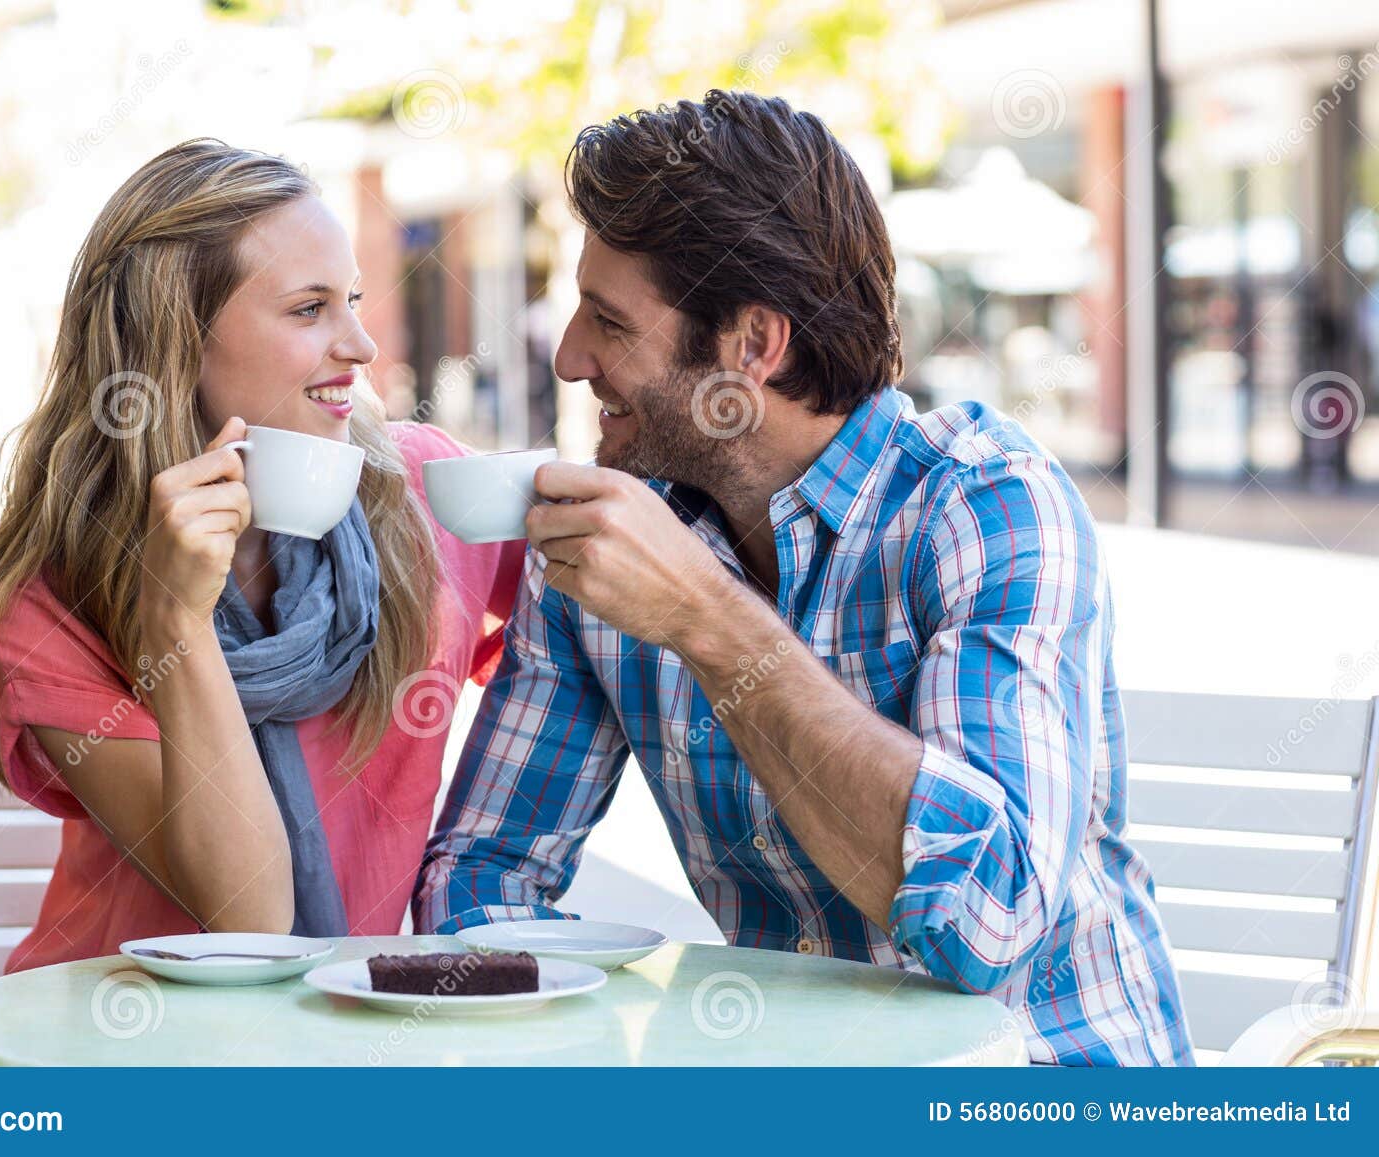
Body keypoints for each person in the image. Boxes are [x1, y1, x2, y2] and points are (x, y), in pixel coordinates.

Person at [415, 92, 1193, 1066]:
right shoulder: (602, 542)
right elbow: (477, 882)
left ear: (751, 346)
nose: (571, 356)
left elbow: (985, 924)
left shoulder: (985, 507)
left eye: (608, 321)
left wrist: (706, 616)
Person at [0, 140, 520, 972]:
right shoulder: (55, 602)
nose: (361, 345)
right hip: (127, 1050)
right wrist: (174, 621)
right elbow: (249, 912)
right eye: (309, 310)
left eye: (354, 301)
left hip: (356, 1036)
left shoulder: (423, 492)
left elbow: (604, 619)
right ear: (176, 339)